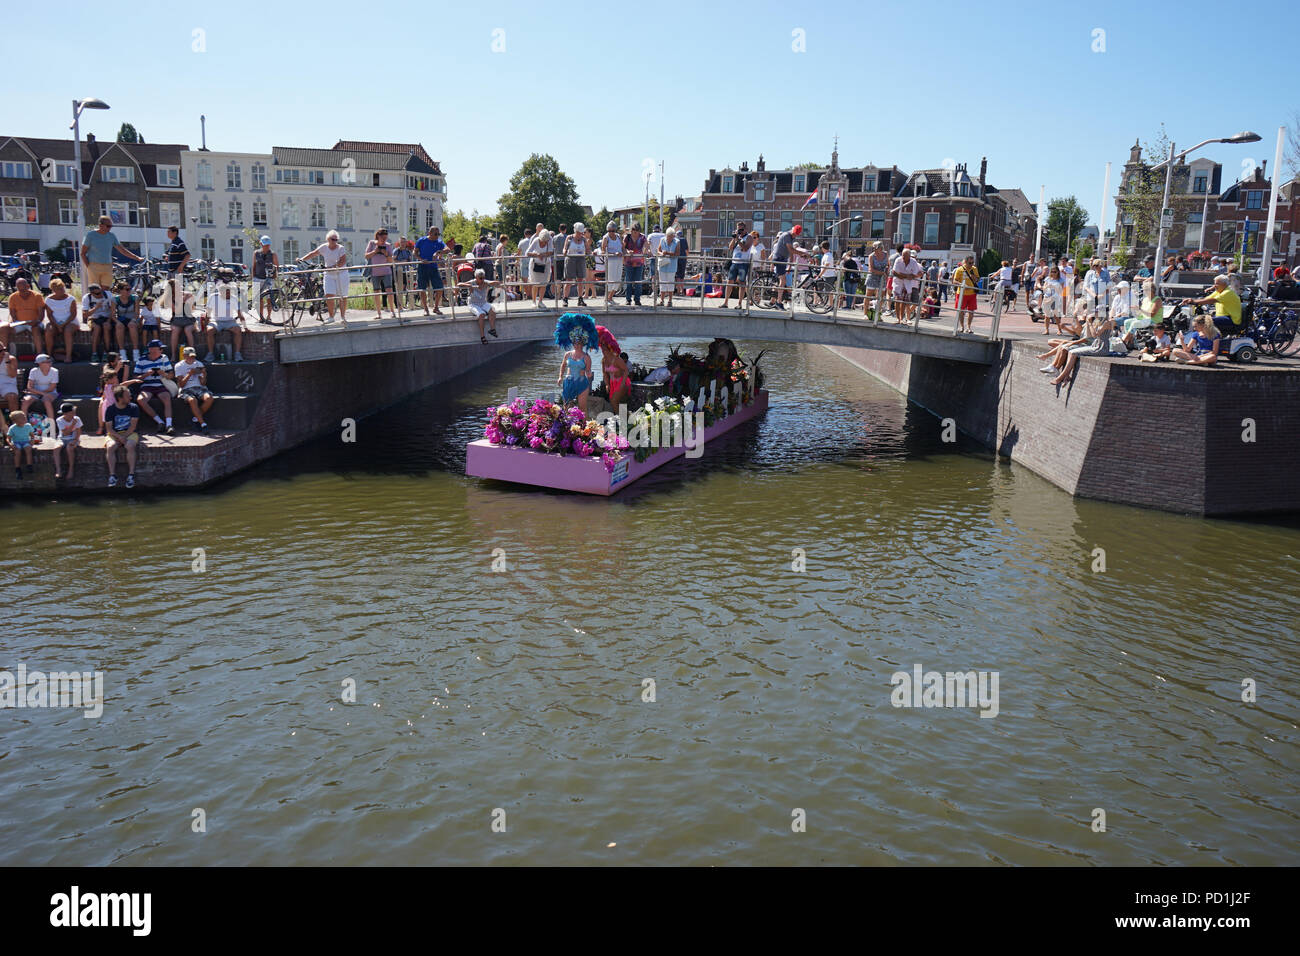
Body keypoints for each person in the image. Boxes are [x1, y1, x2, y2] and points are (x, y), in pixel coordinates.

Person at [1049, 313, 1119, 386]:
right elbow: (1088, 334)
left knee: (1073, 352)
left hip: (1101, 347)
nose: (1095, 314)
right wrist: (1088, 323)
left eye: (1097, 312)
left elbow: (1095, 335)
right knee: (1070, 351)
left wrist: (1090, 324)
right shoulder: (1098, 321)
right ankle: (1066, 376)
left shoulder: (1106, 323)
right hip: (1095, 345)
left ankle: (1060, 378)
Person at [81, 215, 142, 292]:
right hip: (94, 266)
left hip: (108, 266)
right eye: (108, 226)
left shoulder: (111, 236)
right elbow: (83, 253)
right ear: (100, 225)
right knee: (95, 290)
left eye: (111, 226)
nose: (110, 228)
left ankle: (105, 300)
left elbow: (122, 250)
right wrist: (89, 266)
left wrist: (137, 258)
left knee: (106, 289)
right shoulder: (90, 235)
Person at [300, 230, 351, 321]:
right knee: (329, 295)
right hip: (329, 274)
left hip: (341, 274)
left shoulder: (341, 248)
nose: (335, 241)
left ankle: (343, 317)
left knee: (342, 296)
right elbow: (313, 253)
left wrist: (333, 267)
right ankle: (331, 317)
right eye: (333, 239)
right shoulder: (324, 247)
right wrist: (302, 259)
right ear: (328, 239)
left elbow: (343, 261)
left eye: (336, 240)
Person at [201, 270, 248, 362]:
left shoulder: (233, 298)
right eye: (227, 293)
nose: (228, 295)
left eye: (229, 293)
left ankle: (237, 354)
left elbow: (240, 314)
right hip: (216, 321)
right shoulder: (213, 297)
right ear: (220, 292)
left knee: (238, 330)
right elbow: (208, 313)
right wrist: (205, 325)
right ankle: (210, 354)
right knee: (209, 331)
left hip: (230, 321)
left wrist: (245, 327)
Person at [133, 339, 175, 434]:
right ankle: (160, 422)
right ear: (151, 350)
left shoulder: (164, 358)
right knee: (141, 400)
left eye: (161, 349)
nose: (161, 350)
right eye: (160, 349)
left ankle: (169, 425)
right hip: (147, 386)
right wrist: (146, 374)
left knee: (167, 398)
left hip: (161, 384)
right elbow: (135, 377)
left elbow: (171, 375)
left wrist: (163, 373)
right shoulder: (141, 360)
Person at [103, 385, 141, 488]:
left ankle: (131, 475)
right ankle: (112, 475)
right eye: (127, 396)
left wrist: (124, 436)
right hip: (114, 434)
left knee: (130, 446)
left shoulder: (134, 407)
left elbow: (133, 427)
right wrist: (119, 437)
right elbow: (109, 429)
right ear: (120, 398)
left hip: (130, 433)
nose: (130, 397)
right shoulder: (110, 409)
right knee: (110, 447)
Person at [173, 346, 213, 432]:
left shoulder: (199, 364)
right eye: (190, 356)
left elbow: (203, 383)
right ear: (184, 356)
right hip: (186, 389)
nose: (192, 358)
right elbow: (181, 384)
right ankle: (203, 424)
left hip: (199, 387)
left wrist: (204, 375)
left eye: (193, 356)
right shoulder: (178, 366)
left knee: (209, 398)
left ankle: (195, 419)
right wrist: (189, 374)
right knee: (192, 400)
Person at [769, 224, 809, 309]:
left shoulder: (791, 237)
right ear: (792, 230)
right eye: (794, 234)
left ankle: (775, 301)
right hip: (779, 259)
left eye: (796, 235)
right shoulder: (786, 235)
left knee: (781, 281)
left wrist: (790, 264)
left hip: (783, 260)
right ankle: (778, 302)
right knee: (783, 281)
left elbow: (791, 252)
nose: (795, 236)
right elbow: (791, 250)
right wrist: (802, 253)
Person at [458, 269, 502, 344]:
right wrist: (469, 286)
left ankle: (492, 329)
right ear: (476, 277)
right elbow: (459, 284)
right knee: (482, 314)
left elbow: (493, 283)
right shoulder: (472, 282)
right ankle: (482, 336)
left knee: (492, 311)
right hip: (473, 304)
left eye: (483, 278)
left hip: (483, 302)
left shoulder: (485, 282)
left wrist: (495, 282)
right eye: (480, 278)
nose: (482, 279)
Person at [3, 277, 44, 356]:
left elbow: (41, 314)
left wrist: (36, 321)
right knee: (3, 328)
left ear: (28, 286)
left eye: (24, 290)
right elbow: (12, 313)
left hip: (34, 322)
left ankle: (39, 354)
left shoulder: (37, 296)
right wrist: (15, 321)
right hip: (19, 323)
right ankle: (4, 353)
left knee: (36, 329)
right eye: (20, 290)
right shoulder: (13, 297)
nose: (22, 292)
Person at [364, 228, 399, 321]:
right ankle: (379, 313)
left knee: (389, 290)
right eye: (382, 238)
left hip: (386, 271)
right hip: (374, 272)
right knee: (376, 292)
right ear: (378, 236)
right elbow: (366, 256)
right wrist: (375, 251)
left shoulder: (388, 245)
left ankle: (392, 312)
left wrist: (386, 254)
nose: (384, 240)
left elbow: (391, 261)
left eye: (385, 238)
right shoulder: (372, 243)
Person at [42, 278, 78, 363]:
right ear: (53, 290)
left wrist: (64, 324)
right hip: (55, 321)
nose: (62, 290)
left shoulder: (71, 299)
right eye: (59, 289)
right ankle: (49, 356)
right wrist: (56, 324)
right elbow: (49, 315)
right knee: (48, 330)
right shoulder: (48, 299)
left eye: (62, 288)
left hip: (70, 321)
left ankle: (68, 356)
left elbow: (73, 314)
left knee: (68, 331)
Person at [97, 351, 134, 435]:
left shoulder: (125, 367)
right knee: (102, 404)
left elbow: (124, 381)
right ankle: (101, 427)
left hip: (120, 388)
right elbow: (106, 379)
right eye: (118, 359)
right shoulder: (106, 367)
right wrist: (117, 369)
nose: (120, 360)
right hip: (108, 390)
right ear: (112, 362)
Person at [557, 328, 593, 412]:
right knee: (567, 407)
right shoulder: (568, 354)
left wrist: (589, 374)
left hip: (581, 383)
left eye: (578, 343)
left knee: (582, 408)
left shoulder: (586, 357)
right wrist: (560, 377)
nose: (576, 345)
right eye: (574, 343)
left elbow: (588, 371)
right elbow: (563, 365)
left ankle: (584, 421)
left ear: (582, 344)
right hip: (568, 382)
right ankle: (568, 421)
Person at [21, 353, 60, 423]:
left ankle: (52, 426)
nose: (50, 363)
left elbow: (52, 388)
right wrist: (41, 393)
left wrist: (37, 393)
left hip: (49, 392)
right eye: (47, 362)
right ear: (40, 363)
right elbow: (29, 387)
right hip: (36, 393)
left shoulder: (55, 371)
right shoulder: (33, 371)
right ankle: (24, 425)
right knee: (25, 401)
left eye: (50, 361)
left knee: (47, 401)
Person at [163, 225, 191, 323]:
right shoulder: (173, 243)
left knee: (178, 293)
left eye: (169, 232)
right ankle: (174, 314)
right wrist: (166, 256)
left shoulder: (179, 242)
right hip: (171, 271)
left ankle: (178, 315)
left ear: (175, 233)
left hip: (176, 271)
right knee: (171, 293)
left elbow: (187, 255)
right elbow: (167, 253)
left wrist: (181, 266)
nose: (167, 234)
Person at [81, 283, 114, 363]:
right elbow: (85, 315)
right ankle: (94, 353)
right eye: (97, 294)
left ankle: (106, 352)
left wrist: (108, 321)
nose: (100, 295)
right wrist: (96, 308)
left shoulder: (108, 295)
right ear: (91, 293)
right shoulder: (87, 298)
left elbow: (112, 310)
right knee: (96, 328)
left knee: (106, 327)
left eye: (101, 292)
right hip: (93, 318)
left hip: (106, 317)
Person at [721, 228, 752, 310]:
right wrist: (734, 238)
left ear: (745, 229)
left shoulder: (749, 237)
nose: (739, 231)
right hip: (734, 262)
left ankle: (739, 304)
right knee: (729, 282)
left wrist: (738, 240)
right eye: (738, 229)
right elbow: (730, 247)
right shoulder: (737, 237)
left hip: (743, 263)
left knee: (742, 283)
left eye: (741, 229)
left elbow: (745, 248)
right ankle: (725, 302)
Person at [891, 247, 923, 324]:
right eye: (902, 255)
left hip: (908, 285)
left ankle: (902, 318)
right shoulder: (898, 260)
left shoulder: (913, 262)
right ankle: (898, 318)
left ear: (909, 256)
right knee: (897, 300)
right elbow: (895, 272)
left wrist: (903, 275)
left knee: (904, 302)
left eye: (905, 256)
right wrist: (907, 276)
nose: (903, 257)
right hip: (898, 283)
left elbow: (914, 274)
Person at [52, 401, 82, 480]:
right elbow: (65, 433)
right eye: (72, 412)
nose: (74, 413)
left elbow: (78, 432)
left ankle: (71, 469)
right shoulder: (59, 420)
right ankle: (58, 470)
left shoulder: (77, 419)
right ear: (66, 413)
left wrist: (75, 440)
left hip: (73, 439)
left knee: (69, 448)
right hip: (62, 438)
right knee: (56, 448)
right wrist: (72, 424)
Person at [252, 236, 279, 323]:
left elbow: (277, 266)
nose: (267, 247)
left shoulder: (273, 254)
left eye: (268, 245)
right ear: (261, 244)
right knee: (259, 299)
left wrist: (274, 276)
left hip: (269, 279)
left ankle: (269, 316)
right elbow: (254, 266)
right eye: (265, 245)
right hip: (258, 278)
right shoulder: (256, 253)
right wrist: (253, 277)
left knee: (269, 299)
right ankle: (261, 317)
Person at [525, 228, 554, 308]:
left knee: (544, 284)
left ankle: (540, 301)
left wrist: (543, 254)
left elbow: (551, 252)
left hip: (545, 264)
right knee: (535, 284)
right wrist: (537, 254)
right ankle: (534, 301)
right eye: (543, 241)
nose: (545, 243)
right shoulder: (536, 240)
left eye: (546, 241)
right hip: (535, 264)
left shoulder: (550, 240)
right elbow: (527, 253)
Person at [562, 224, 589, 307]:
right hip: (571, 259)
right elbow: (564, 248)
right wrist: (564, 251)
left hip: (581, 259)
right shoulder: (569, 238)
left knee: (580, 280)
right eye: (578, 232)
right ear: (575, 231)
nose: (580, 234)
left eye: (581, 233)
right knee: (569, 280)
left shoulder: (584, 239)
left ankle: (580, 299)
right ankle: (565, 299)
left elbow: (588, 249)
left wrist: (591, 252)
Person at [861, 241, 889, 317]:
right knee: (868, 296)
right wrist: (882, 273)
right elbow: (871, 269)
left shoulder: (886, 254)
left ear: (881, 248)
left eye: (875, 248)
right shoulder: (871, 256)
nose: (874, 249)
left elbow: (888, 265)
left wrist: (887, 271)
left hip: (882, 278)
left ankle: (877, 315)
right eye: (873, 248)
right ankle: (865, 314)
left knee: (881, 297)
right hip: (872, 277)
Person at [952, 255, 979, 333]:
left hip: (972, 293)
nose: (971, 264)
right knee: (961, 311)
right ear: (965, 262)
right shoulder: (959, 269)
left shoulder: (974, 269)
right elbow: (954, 281)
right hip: (961, 293)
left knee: (971, 311)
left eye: (973, 263)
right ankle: (962, 326)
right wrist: (961, 284)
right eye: (970, 263)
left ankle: (969, 327)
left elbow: (977, 280)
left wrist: (973, 276)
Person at [655, 226, 681, 307]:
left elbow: (677, 253)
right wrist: (662, 253)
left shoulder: (677, 242)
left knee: (670, 283)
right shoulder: (662, 240)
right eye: (668, 236)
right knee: (662, 282)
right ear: (666, 235)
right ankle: (661, 300)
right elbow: (658, 250)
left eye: (671, 236)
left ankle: (670, 301)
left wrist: (667, 253)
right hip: (662, 265)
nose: (670, 238)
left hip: (672, 266)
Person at [623, 224, 648, 307]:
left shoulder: (643, 237)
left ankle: (637, 300)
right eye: (633, 230)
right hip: (628, 263)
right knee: (628, 282)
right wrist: (627, 251)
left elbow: (646, 246)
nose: (635, 232)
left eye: (637, 230)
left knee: (638, 282)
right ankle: (628, 299)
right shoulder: (627, 237)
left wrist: (645, 251)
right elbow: (623, 248)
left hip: (639, 263)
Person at [600, 222, 624, 307]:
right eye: (609, 231)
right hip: (610, 261)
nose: (611, 232)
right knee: (610, 280)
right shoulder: (606, 238)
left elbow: (623, 248)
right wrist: (614, 254)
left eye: (613, 230)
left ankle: (610, 298)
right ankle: (606, 299)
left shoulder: (618, 237)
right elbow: (603, 251)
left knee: (618, 280)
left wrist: (627, 252)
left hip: (619, 260)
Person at [7, 409, 35, 479]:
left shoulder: (28, 426)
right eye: (22, 417)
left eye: (24, 416)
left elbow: (32, 435)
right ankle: (17, 469)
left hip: (25, 441)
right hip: (16, 442)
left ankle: (29, 466)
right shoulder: (12, 428)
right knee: (17, 452)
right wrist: (10, 444)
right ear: (15, 421)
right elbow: (8, 438)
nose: (25, 418)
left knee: (28, 449)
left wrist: (32, 440)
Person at [1040, 265, 1067, 335]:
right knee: (1047, 315)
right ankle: (1047, 330)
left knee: (1056, 315)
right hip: (1047, 298)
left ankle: (1059, 330)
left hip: (1055, 299)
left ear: (1058, 272)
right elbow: (1044, 287)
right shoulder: (1048, 279)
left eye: (1055, 272)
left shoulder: (1061, 280)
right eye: (1052, 271)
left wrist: (1054, 287)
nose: (1053, 273)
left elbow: (1060, 290)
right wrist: (1047, 286)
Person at [392, 237, 415, 311]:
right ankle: (399, 305)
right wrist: (402, 262)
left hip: (406, 272)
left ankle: (406, 304)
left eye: (404, 242)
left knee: (406, 288)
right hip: (398, 271)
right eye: (401, 242)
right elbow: (393, 261)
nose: (403, 243)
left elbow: (410, 261)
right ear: (399, 242)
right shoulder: (396, 251)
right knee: (399, 288)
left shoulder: (408, 252)